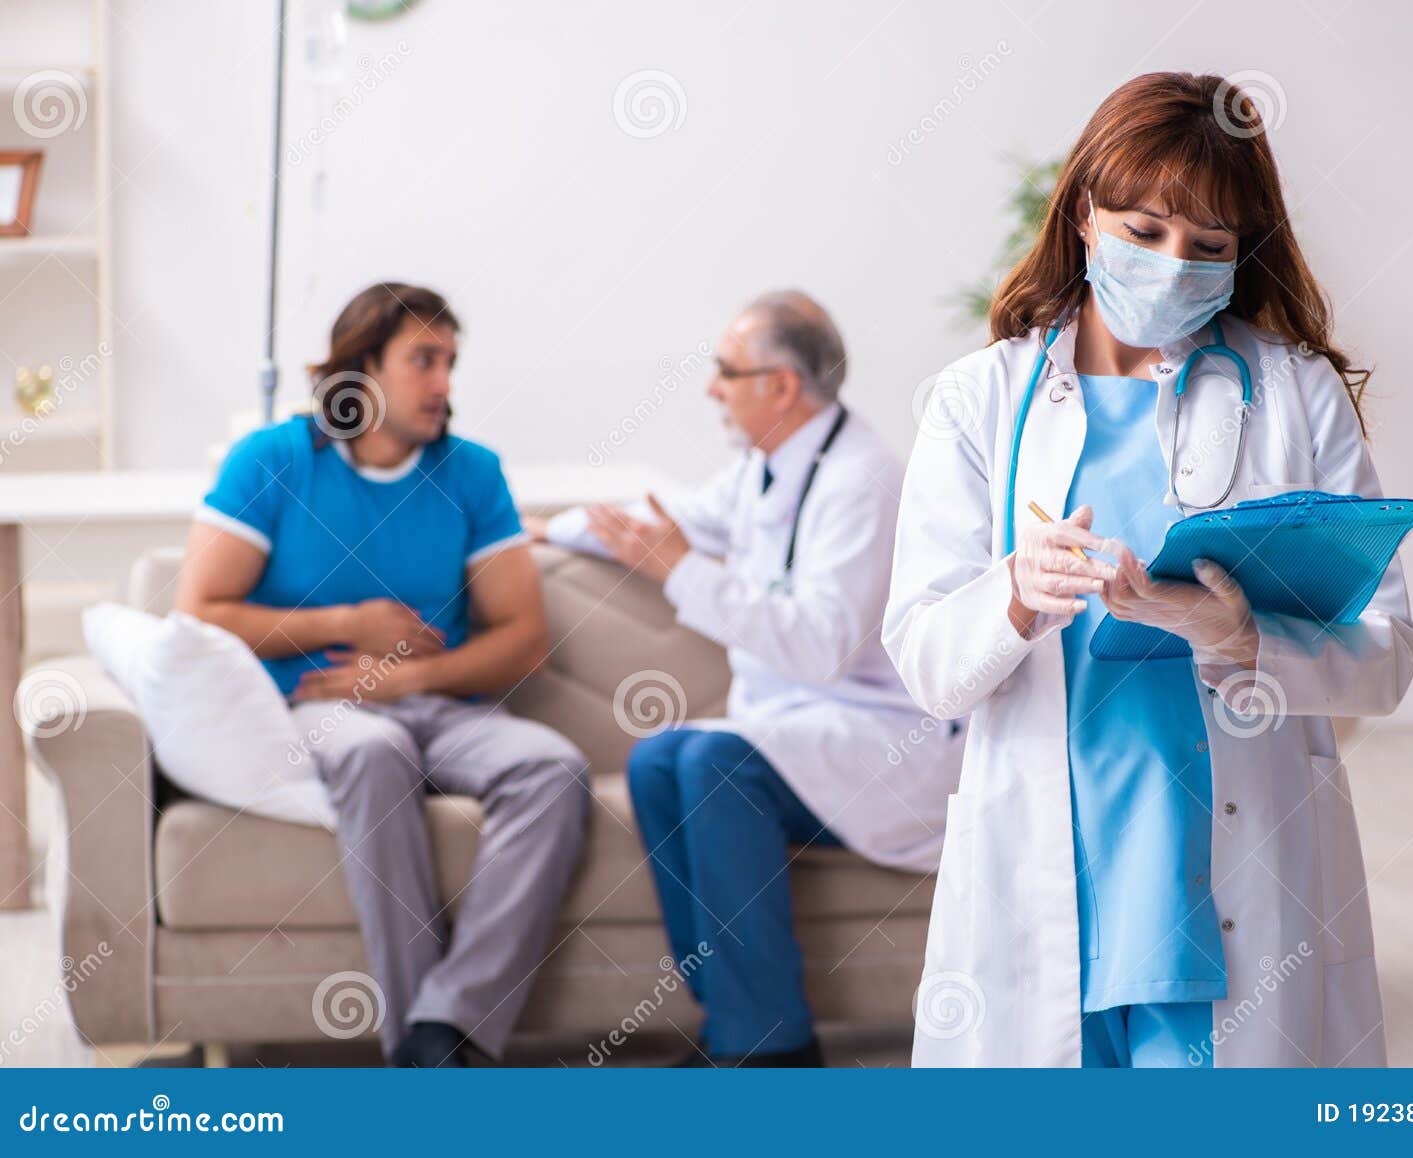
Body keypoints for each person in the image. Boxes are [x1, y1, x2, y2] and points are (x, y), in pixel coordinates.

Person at [883, 73, 1413, 1068]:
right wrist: (1012, 595)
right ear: (1085, 215)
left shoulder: (1298, 397)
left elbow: (1384, 659)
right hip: (1051, 861)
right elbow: (924, 661)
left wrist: (1238, 637)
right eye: (1144, 230)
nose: (1175, 266)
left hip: (1231, 866)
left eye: (1209, 248)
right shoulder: (982, 400)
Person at [532, 290, 964, 1067]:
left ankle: (773, 1050)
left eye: (726, 372)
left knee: (710, 762)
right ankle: (732, 1019)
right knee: (656, 760)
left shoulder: (862, 481)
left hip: (891, 746)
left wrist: (680, 569)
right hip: (809, 739)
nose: (711, 389)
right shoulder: (764, 469)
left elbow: (821, 646)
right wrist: (535, 529)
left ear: (782, 385)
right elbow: (665, 519)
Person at [175, 283, 590, 1067]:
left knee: (553, 767)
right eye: (423, 361)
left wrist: (403, 681)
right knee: (373, 750)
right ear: (360, 370)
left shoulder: (469, 473)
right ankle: (424, 1053)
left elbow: (524, 637)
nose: (444, 385)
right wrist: (348, 626)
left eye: (451, 364)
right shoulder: (274, 461)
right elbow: (201, 613)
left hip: (442, 705)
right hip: (319, 705)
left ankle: (448, 1028)